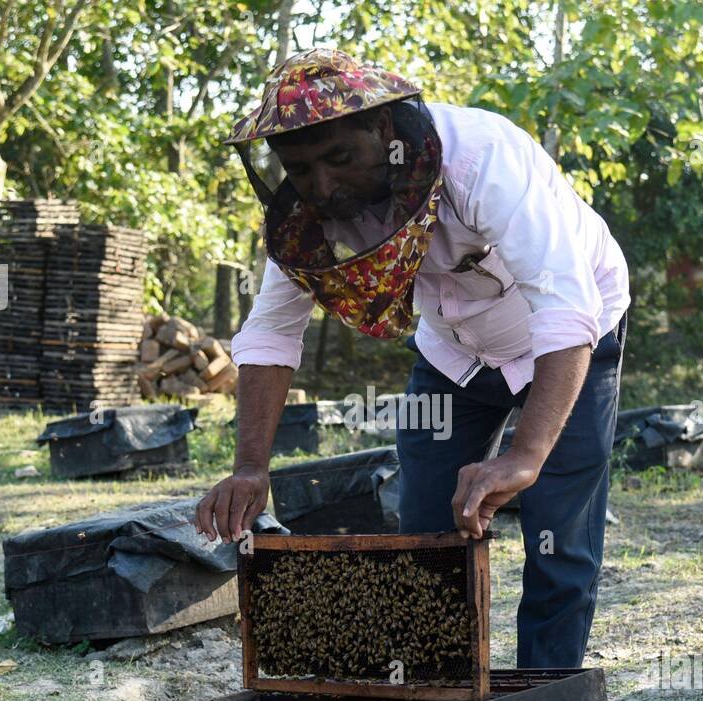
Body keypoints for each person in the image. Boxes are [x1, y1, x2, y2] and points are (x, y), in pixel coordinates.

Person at [195, 49, 630, 668]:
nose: (323, 186)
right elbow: (270, 335)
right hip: (452, 356)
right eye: (300, 169)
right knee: (425, 533)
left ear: (382, 130)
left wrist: (526, 456)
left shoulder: (483, 157)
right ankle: (433, 690)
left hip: (569, 343)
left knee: (559, 541)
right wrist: (248, 468)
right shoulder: (310, 215)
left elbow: (565, 307)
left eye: (339, 159)